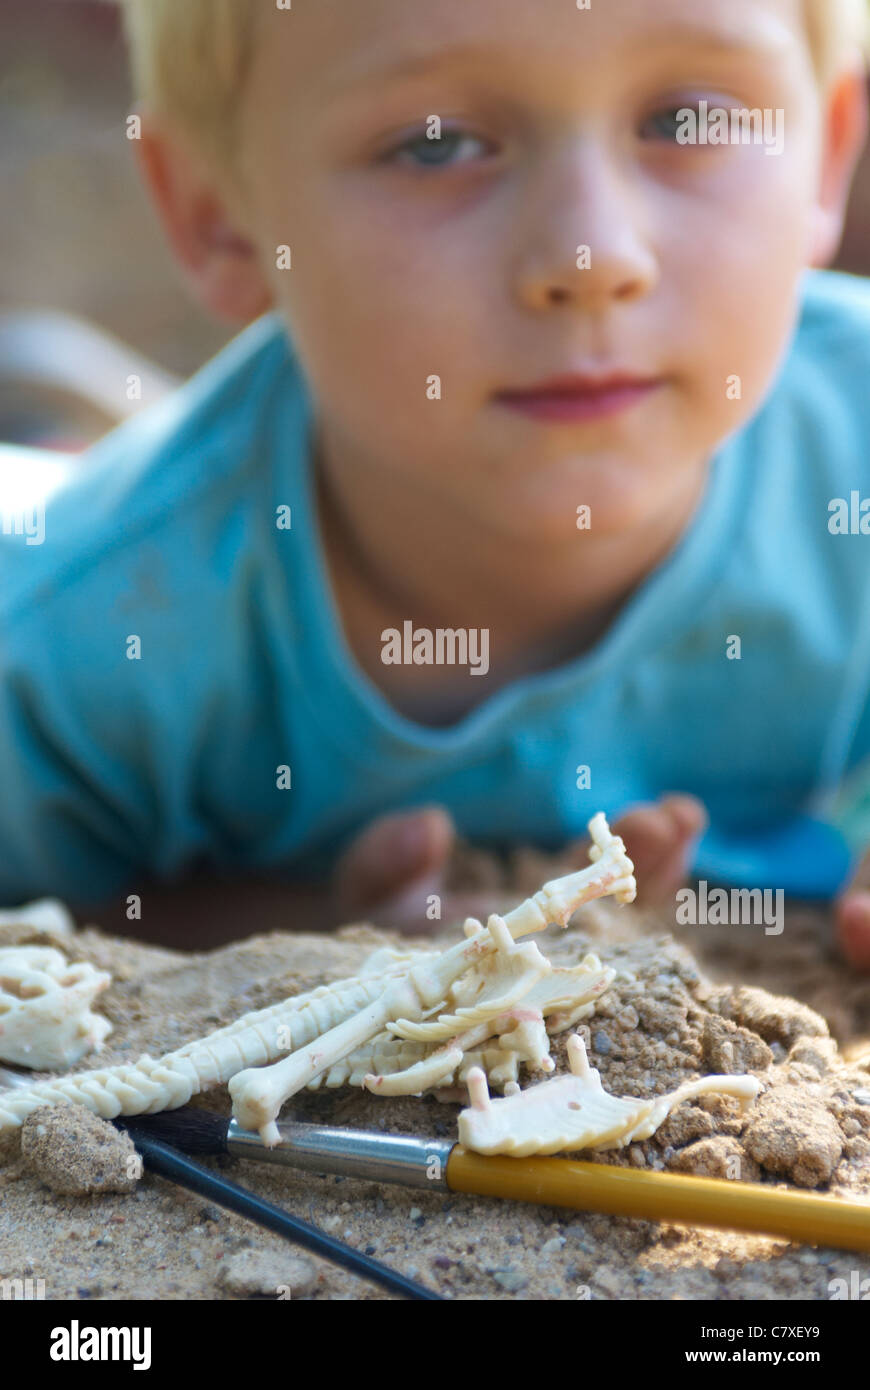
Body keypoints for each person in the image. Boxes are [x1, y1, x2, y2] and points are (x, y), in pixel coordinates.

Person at [2, 0, 869, 964]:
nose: (592, 258)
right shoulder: (71, 650)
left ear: (828, 152)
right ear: (220, 215)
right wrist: (294, 934)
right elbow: (41, 929)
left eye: (686, 121)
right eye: (436, 144)